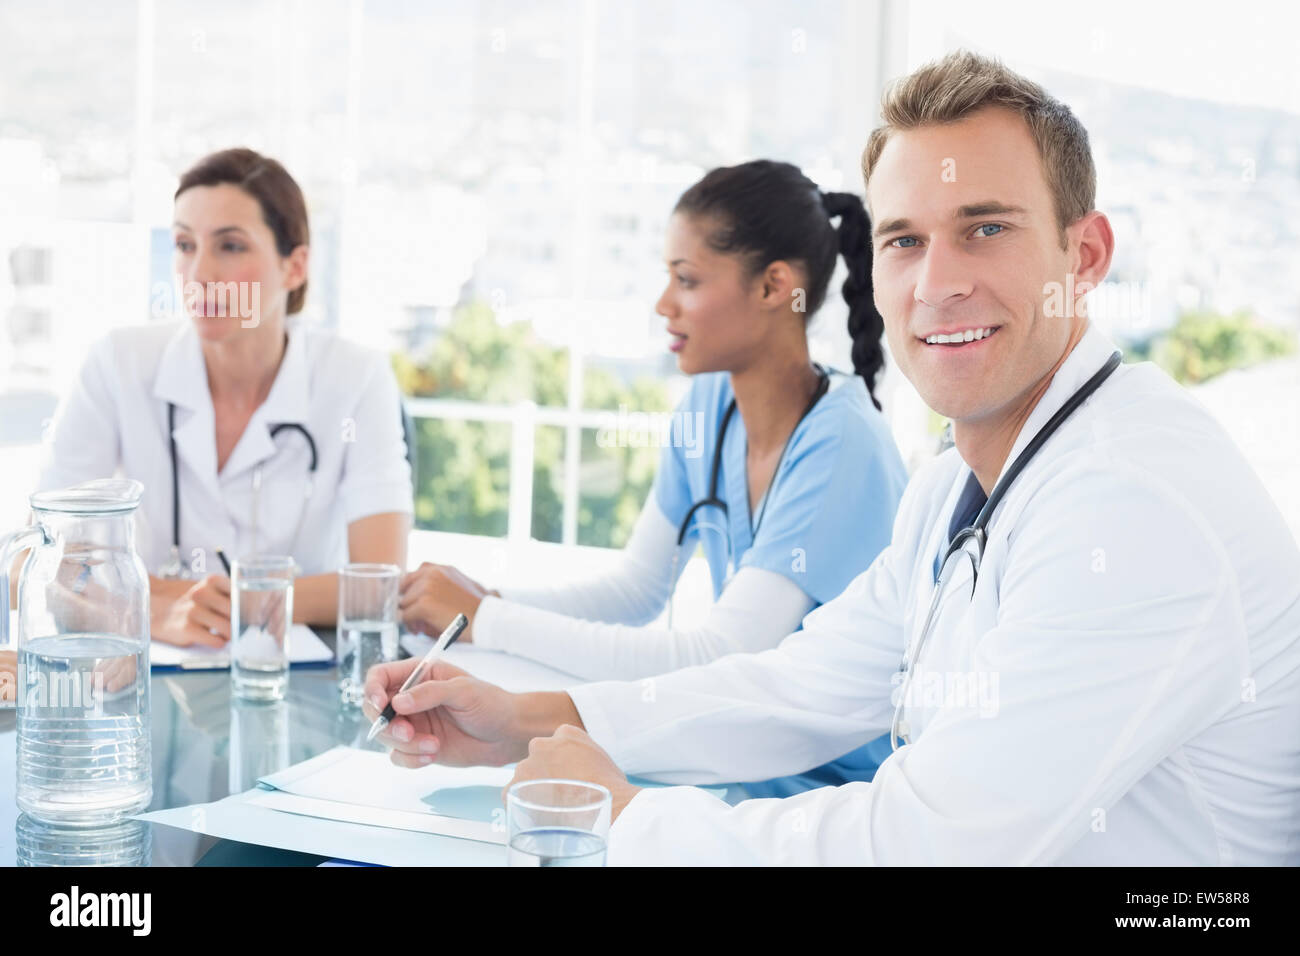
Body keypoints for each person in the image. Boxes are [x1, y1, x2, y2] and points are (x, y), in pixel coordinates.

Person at [363, 51, 1300, 865]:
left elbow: (932, 846)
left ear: (1084, 254)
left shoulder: (1130, 503)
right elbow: (797, 683)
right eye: (904, 241)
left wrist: (632, 822)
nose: (938, 283)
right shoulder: (955, 487)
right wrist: (522, 720)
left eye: (987, 227)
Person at [398, 159, 909, 796]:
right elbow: (637, 590)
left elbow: (723, 654)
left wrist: (488, 618)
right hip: (731, 753)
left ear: (775, 286)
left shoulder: (842, 443)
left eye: (686, 280)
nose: (663, 305)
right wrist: (484, 603)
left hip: (819, 785)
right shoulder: (710, 406)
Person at [33, 148, 413, 646]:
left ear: (294, 266)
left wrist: (214, 600)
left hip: (294, 677)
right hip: (152, 668)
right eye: (185, 245)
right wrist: (151, 615)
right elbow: (37, 563)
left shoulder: (357, 377)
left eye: (230, 246)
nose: (199, 273)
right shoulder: (117, 362)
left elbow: (380, 586)